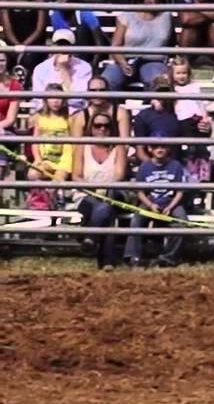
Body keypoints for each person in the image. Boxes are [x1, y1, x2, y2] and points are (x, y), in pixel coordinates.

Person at [73, 109, 128, 269]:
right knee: (106, 211)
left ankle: (90, 236)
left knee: (105, 205)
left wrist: (105, 187)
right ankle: (107, 261)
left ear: (112, 128)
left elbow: (119, 175)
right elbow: (76, 175)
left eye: (106, 126)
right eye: (97, 126)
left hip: (113, 192)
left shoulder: (118, 148)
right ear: (91, 127)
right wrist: (93, 188)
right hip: (86, 195)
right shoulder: (82, 147)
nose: (102, 129)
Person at [125, 135, 188, 268]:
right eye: (155, 146)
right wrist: (150, 205)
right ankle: (133, 256)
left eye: (163, 146)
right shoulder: (145, 167)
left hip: (171, 201)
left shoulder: (176, 166)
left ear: (168, 148)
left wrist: (170, 207)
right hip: (150, 200)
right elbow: (140, 192)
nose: (159, 149)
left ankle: (168, 257)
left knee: (182, 222)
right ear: (150, 149)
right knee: (136, 220)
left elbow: (180, 191)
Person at [103, 0, 173, 90]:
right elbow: (115, 45)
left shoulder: (166, 16)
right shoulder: (127, 16)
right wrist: (123, 63)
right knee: (107, 81)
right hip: (126, 59)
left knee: (159, 82)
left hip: (154, 61)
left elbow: (172, 42)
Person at [27, 82, 74, 210]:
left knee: (58, 180)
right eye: (52, 97)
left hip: (63, 160)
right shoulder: (40, 118)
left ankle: (56, 201)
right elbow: (35, 141)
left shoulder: (68, 118)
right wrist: (37, 159)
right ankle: (40, 201)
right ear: (46, 100)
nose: (56, 101)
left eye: (59, 97)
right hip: (46, 159)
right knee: (32, 174)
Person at [30, 29, 93, 112]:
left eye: (66, 45)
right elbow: (38, 101)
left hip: (74, 112)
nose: (63, 49)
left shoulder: (84, 67)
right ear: (53, 47)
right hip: (47, 113)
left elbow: (77, 100)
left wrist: (64, 69)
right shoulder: (40, 69)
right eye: (59, 44)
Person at [2, 0, 48, 73]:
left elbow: (39, 28)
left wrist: (24, 46)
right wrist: (17, 46)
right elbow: (7, 29)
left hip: (35, 43)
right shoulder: (6, 0)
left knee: (28, 59)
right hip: (13, 43)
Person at [51, 0, 109, 65]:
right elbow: (58, 42)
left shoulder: (85, 13)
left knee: (82, 30)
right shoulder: (56, 15)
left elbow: (100, 44)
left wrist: (92, 66)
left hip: (91, 53)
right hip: (71, 53)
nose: (58, 2)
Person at [133, 75, 182, 162]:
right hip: (151, 164)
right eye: (159, 91)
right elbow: (140, 151)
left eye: (166, 91)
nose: (163, 95)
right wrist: (153, 166)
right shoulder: (143, 116)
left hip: (175, 165)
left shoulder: (179, 112)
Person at [70, 73, 132, 140]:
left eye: (102, 90)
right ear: (88, 92)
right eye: (93, 91)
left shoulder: (120, 113)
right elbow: (77, 145)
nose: (97, 94)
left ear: (107, 91)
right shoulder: (81, 117)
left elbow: (125, 142)